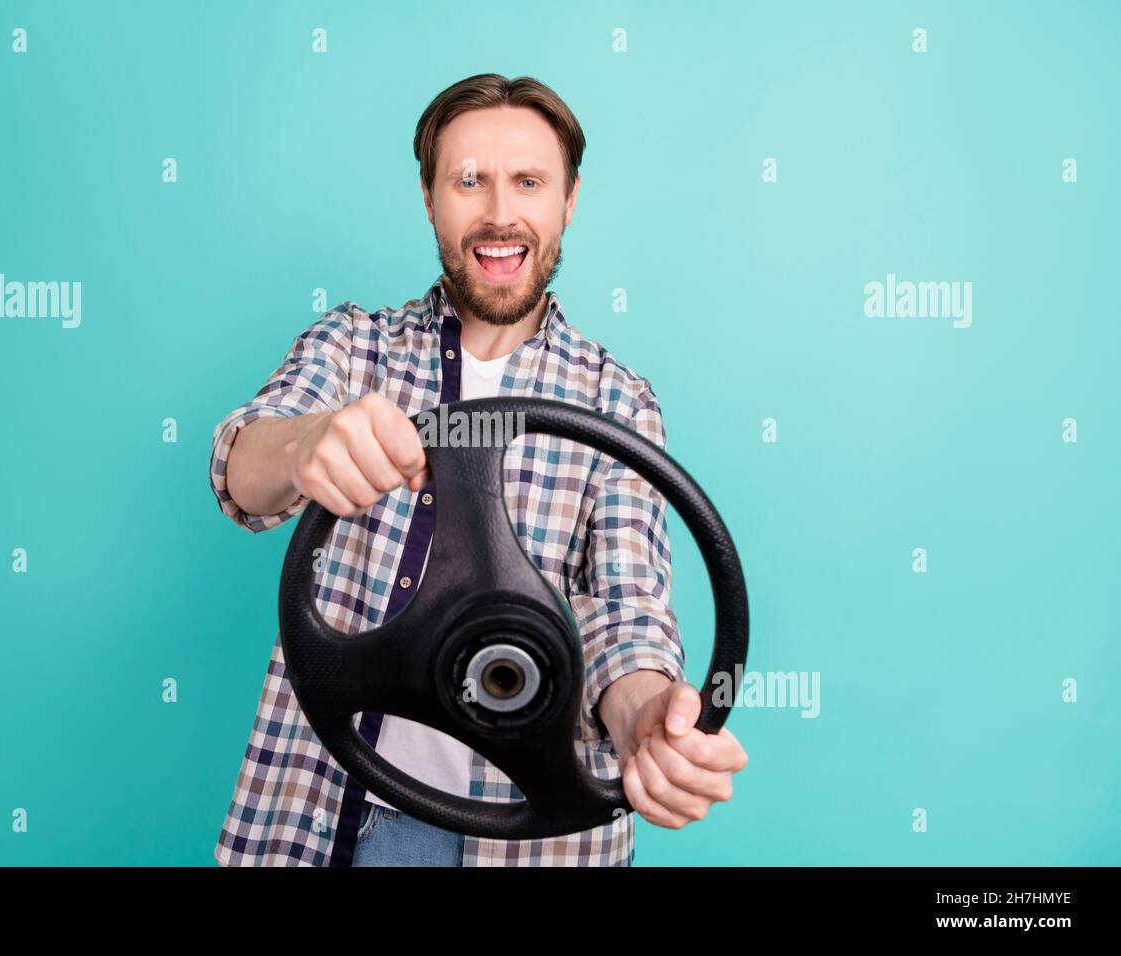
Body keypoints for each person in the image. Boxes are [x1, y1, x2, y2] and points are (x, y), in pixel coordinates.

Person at [209, 73, 748, 867]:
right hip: (325, 815)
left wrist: (647, 726)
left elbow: (626, 616)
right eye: (469, 182)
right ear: (430, 199)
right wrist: (302, 447)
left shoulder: (618, 403)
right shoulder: (355, 348)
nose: (500, 213)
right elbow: (239, 466)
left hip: (531, 841)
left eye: (528, 182)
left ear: (569, 202)